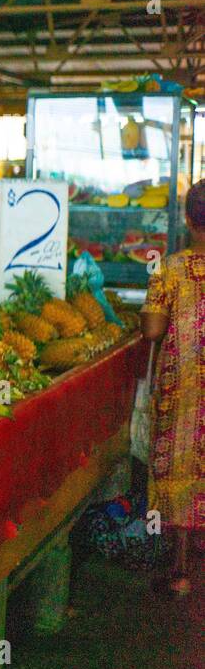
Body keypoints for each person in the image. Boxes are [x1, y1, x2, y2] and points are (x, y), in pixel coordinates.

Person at [140, 179, 205, 595]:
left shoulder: (170, 268)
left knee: (182, 466)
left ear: (185, 218)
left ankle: (180, 569)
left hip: (182, 384)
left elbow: (152, 329)